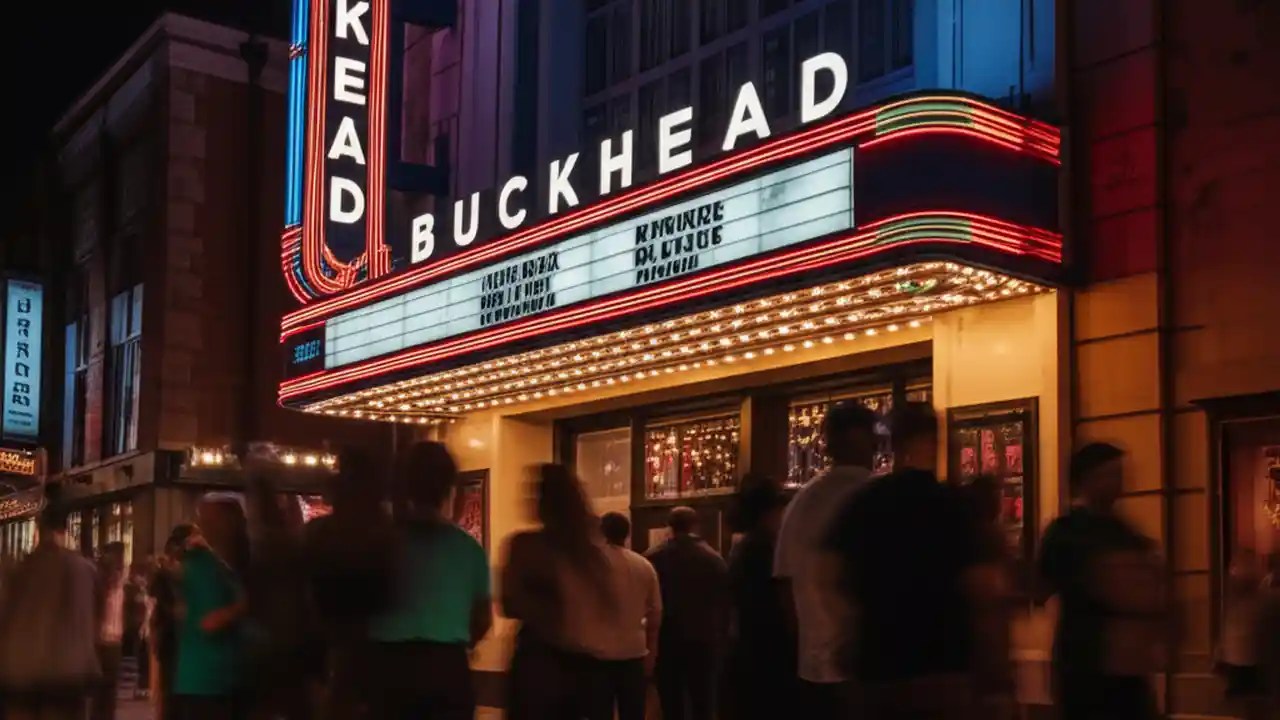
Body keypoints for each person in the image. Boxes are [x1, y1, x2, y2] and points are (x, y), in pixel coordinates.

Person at [823, 402, 998, 719]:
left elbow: (831, 575)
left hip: (877, 666)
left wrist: (848, 633)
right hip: (943, 667)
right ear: (934, 441)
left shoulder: (864, 504)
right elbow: (983, 589)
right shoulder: (955, 506)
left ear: (893, 444)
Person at [364, 442, 492, 720]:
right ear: (449, 489)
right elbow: (483, 620)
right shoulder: (468, 549)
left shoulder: (381, 543)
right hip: (447, 667)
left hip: (389, 667)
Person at [1038, 442, 1164, 720]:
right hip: (1085, 662)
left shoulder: (1125, 532)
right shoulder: (1067, 533)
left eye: (1119, 474)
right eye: (1110, 474)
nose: (1119, 483)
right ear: (1087, 480)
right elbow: (1042, 588)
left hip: (1124, 663)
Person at [773, 401, 878, 717]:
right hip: (878, 662)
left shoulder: (803, 502)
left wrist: (804, 640)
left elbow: (783, 583)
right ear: (873, 442)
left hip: (816, 664)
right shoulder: (881, 495)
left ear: (827, 445)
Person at [502, 463, 617, 720]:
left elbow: (509, 603)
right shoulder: (591, 555)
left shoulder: (525, 546)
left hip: (540, 667)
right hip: (588, 670)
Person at [303, 447, 398, 719]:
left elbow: (306, 592)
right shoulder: (388, 534)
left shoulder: (318, 534)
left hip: (332, 647)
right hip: (381, 651)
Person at [0, 503, 101, 720]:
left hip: (19, 672)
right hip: (64, 673)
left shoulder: (19, 569)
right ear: (64, 533)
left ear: (39, 531)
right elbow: (85, 622)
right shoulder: (81, 569)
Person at [723, 475, 797, 720]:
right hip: (766, 661)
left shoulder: (745, 548)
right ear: (768, 511)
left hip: (747, 658)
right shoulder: (763, 550)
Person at [646, 506, 730, 720]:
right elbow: (725, 601)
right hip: (705, 638)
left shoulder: (653, 557)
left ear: (669, 526)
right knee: (703, 700)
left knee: (671, 702)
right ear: (695, 525)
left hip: (668, 638)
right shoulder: (714, 559)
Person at [174, 495, 250, 720]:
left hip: (217, 678)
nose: (203, 525)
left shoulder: (235, 563)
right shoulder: (199, 560)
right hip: (203, 678)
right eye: (202, 519)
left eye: (210, 520)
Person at [594, 512, 662, 720]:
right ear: (627, 534)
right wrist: (652, 650)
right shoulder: (643, 565)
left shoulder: (592, 565)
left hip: (598, 653)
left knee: (598, 712)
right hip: (633, 651)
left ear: (601, 532)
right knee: (633, 712)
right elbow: (656, 612)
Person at [151, 526, 195, 720]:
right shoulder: (168, 575)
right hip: (175, 642)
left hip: (177, 642)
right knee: (173, 697)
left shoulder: (172, 573)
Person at [91, 542, 127, 720]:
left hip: (103, 641)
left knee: (100, 693)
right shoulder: (115, 585)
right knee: (106, 693)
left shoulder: (107, 583)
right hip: (108, 641)